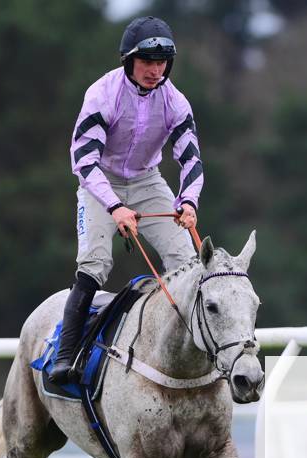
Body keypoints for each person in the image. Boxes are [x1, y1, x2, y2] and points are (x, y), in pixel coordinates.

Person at [49, 16, 204, 384]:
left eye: (162, 62)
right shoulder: (102, 93)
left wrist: (190, 202)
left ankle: (190, 351)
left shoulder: (175, 102)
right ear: (128, 60)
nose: (156, 70)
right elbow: (83, 160)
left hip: (148, 181)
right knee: (96, 264)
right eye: (148, 62)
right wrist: (115, 206)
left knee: (188, 262)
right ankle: (65, 354)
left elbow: (191, 159)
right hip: (100, 179)